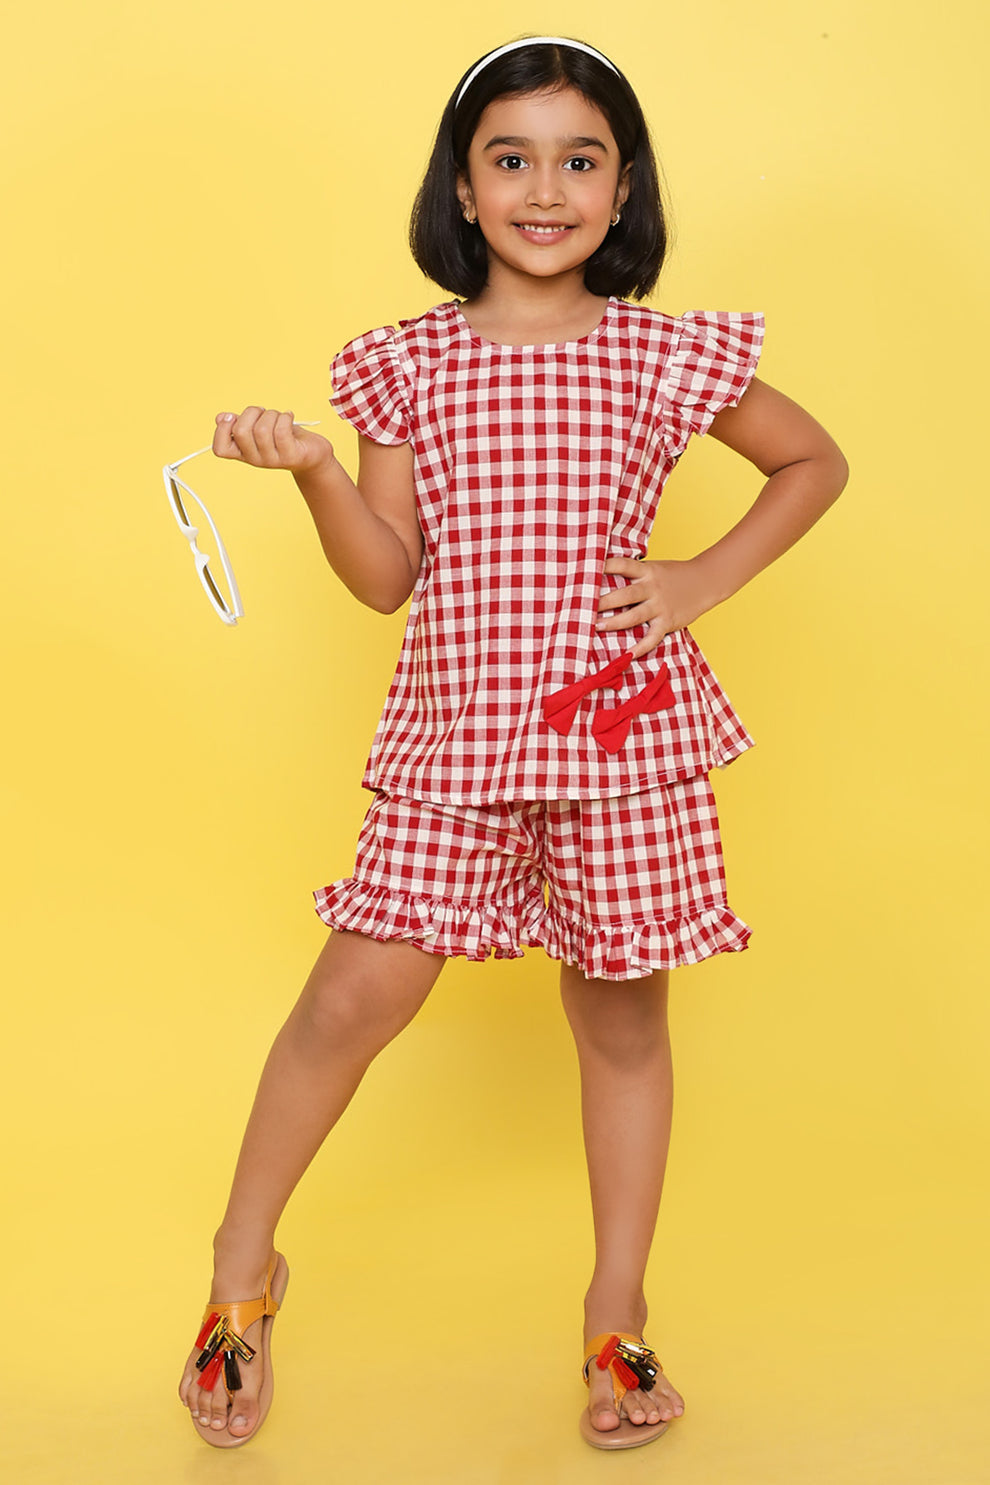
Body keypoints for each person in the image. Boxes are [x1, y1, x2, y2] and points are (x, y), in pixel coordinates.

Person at [177, 34, 848, 1452]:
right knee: (350, 1001)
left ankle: (614, 1307)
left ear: (620, 188)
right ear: (465, 191)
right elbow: (384, 576)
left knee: (618, 1017)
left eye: (579, 158)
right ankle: (244, 1267)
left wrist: (696, 582)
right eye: (511, 157)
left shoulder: (664, 354)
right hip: (458, 735)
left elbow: (813, 461)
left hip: (619, 735)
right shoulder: (403, 363)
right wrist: (308, 472)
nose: (546, 187)